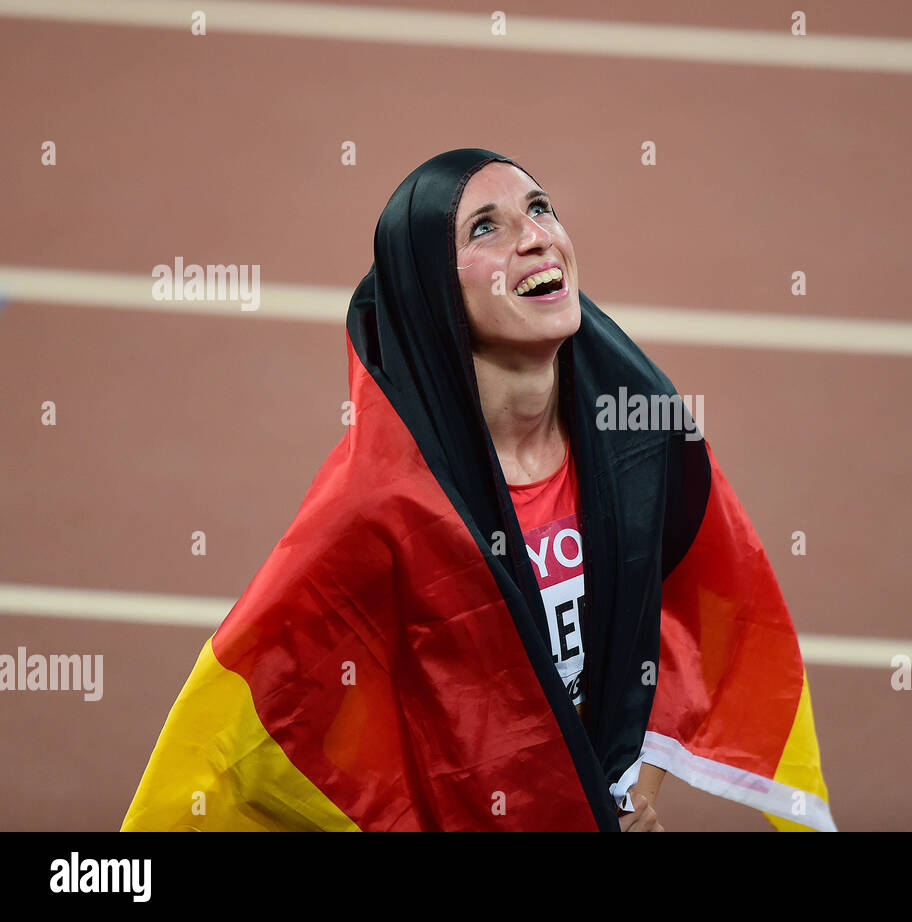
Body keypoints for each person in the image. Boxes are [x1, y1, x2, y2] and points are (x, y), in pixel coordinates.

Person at [121, 149, 834, 832]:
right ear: (431, 291)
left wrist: (632, 785)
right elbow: (277, 713)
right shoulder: (376, 509)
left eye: (541, 208)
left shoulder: (637, 444)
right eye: (485, 228)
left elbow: (678, 612)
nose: (536, 238)